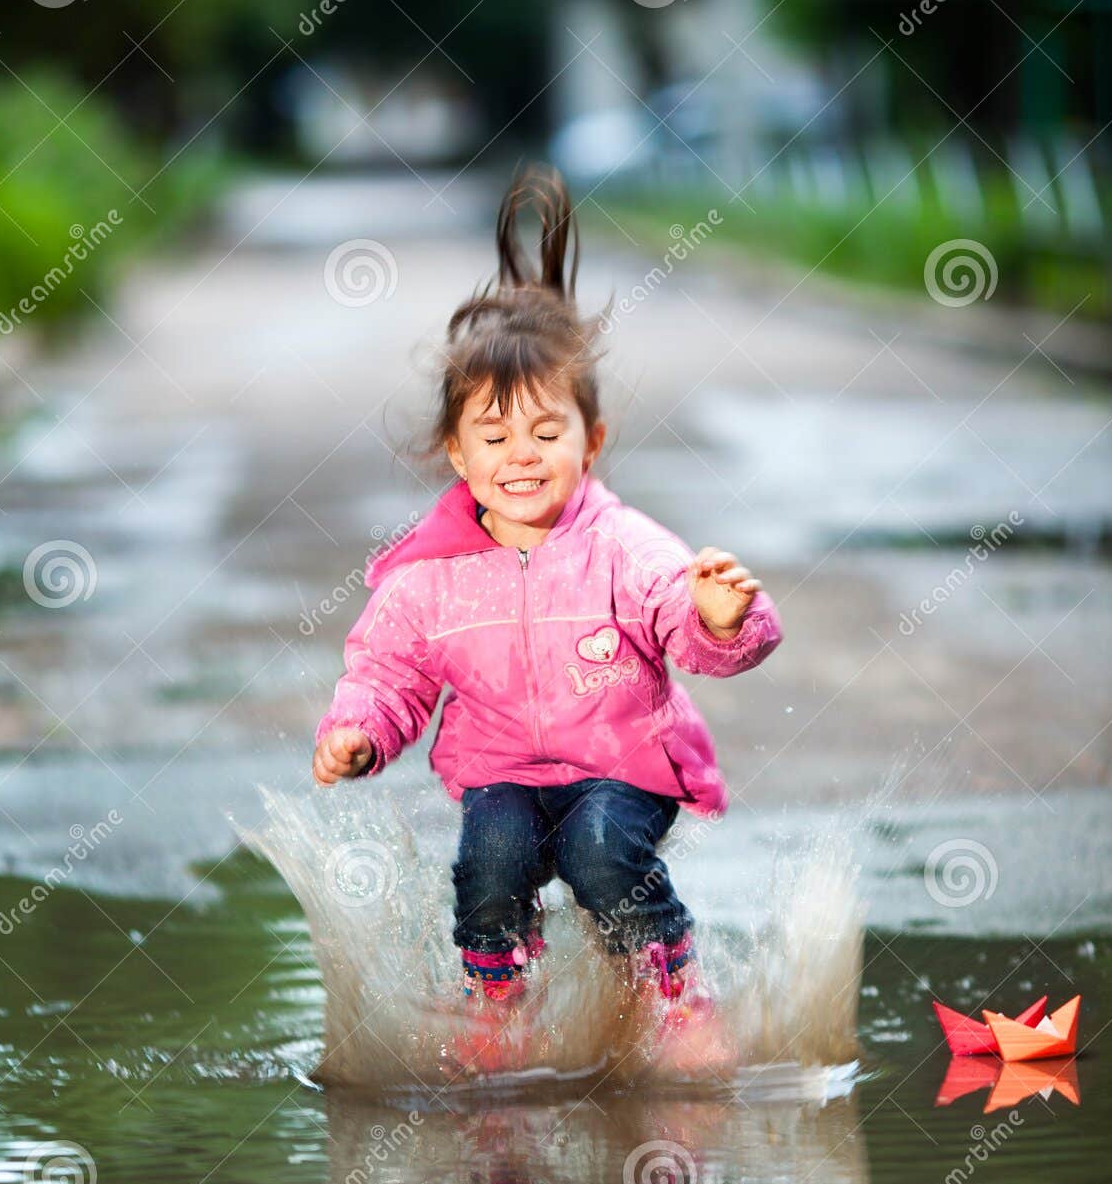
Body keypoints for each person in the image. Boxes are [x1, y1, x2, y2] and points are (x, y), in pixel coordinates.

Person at [313, 165, 781, 1046]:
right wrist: (362, 732)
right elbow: (389, 671)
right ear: (458, 453)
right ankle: (500, 1011)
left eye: (545, 432)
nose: (519, 455)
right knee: (490, 864)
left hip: (621, 767)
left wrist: (719, 618)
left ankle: (672, 1003)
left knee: (601, 855)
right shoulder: (431, 573)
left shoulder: (622, 544)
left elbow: (679, 622)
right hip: (504, 773)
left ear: (590, 442)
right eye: (493, 436)